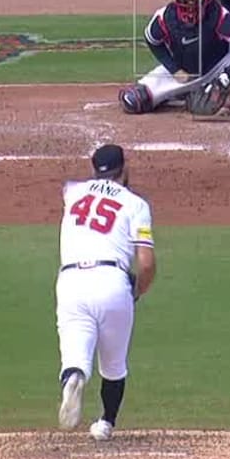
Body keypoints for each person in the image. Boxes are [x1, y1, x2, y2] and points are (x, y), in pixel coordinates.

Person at [55, 143, 156, 443]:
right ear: (123, 169)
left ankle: (74, 376)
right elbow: (147, 264)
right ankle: (105, 423)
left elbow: (76, 190)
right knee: (113, 365)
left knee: (75, 353)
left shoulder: (72, 192)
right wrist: (136, 290)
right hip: (112, 281)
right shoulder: (136, 204)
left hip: (71, 280)